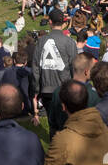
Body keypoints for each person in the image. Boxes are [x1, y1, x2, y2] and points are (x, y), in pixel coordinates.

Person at [31, 7, 78, 138]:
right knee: (64, 123)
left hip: (47, 87)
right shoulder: (70, 42)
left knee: (53, 124)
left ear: (50, 22)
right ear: (63, 22)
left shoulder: (41, 41)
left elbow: (35, 67)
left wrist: (36, 90)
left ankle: (56, 150)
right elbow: (74, 67)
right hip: (64, 88)